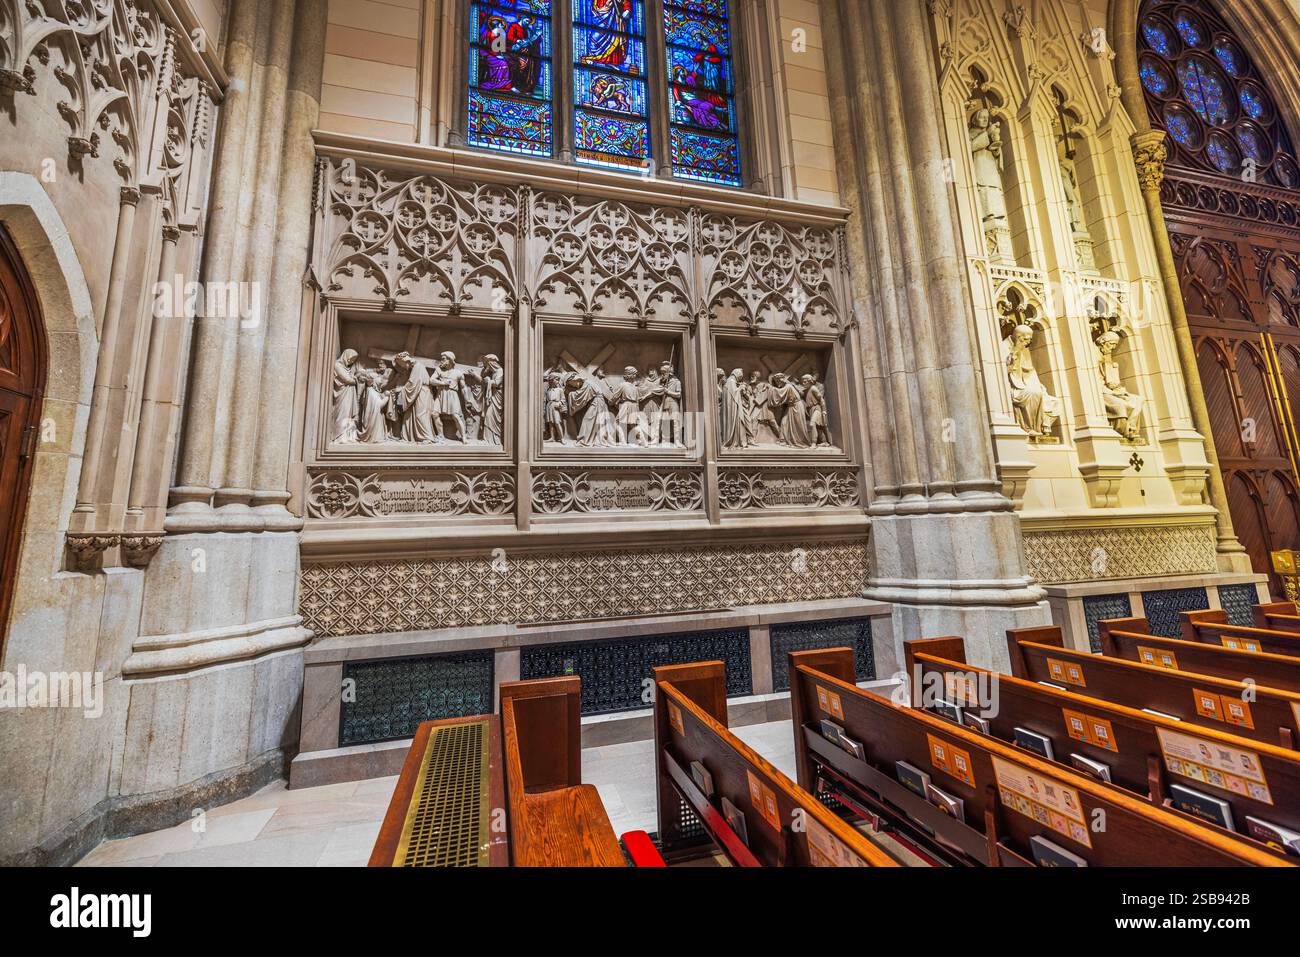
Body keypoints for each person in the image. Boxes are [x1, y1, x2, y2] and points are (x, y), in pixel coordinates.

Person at [1006, 324, 1062, 437]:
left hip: (1024, 383)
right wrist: (1012, 361)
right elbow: (1004, 370)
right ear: (1019, 337)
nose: (1028, 342)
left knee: (1054, 402)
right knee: (1033, 393)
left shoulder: (1023, 350)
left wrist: (1038, 384)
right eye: (1027, 339)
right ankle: (1028, 428)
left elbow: (1029, 371)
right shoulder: (1004, 347)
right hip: (1011, 386)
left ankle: (1042, 428)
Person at [394, 352, 436, 443]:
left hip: (422, 393)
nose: (404, 367)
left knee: (420, 415)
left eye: (402, 365)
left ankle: (427, 437)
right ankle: (408, 437)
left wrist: (401, 390)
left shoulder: (418, 366)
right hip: (416, 393)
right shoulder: (414, 367)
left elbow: (413, 382)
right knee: (408, 415)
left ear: (405, 361)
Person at [568, 368, 616, 447]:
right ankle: (594, 439)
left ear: (575, 380)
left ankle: (585, 440)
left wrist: (570, 394)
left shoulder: (587, 383)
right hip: (598, 403)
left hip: (596, 404)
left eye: (571, 384)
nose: (573, 386)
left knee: (588, 420)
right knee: (596, 421)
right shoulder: (588, 383)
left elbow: (580, 395)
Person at [771, 372, 812, 448]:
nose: (777, 383)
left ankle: (800, 441)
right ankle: (783, 440)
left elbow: (780, 394)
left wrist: (771, 389)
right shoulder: (787, 386)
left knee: (798, 424)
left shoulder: (788, 386)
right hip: (790, 407)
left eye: (777, 381)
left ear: (781, 380)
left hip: (796, 407)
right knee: (784, 422)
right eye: (776, 381)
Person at [330, 349, 360, 443]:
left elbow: (350, 378)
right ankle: (340, 437)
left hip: (349, 395)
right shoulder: (337, 365)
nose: (351, 361)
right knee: (343, 414)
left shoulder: (346, 368)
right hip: (343, 395)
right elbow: (347, 379)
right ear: (346, 355)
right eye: (351, 359)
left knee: (349, 414)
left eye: (353, 360)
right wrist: (356, 379)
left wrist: (355, 377)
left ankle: (349, 436)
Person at [475, 354, 505, 444]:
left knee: (490, 416)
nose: (486, 366)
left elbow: (497, 383)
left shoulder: (500, 371)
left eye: (487, 364)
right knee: (488, 417)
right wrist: (476, 375)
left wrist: (488, 380)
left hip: (497, 397)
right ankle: (488, 439)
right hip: (493, 396)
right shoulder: (493, 373)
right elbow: (484, 382)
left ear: (491, 363)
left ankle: (494, 439)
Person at [357, 369, 391, 444]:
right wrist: (387, 397)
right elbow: (379, 405)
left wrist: (383, 394)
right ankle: (374, 438)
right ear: (374, 381)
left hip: (376, 418)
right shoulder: (371, 392)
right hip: (373, 422)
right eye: (378, 377)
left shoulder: (372, 391)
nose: (381, 380)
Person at [719, 369, 749, 448]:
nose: (740, 378)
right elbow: (735, 394)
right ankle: (735, 441)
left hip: (731, 407)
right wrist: (741, 388)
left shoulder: (729, 382)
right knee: (739, 422)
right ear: (737, 374)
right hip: (733, 408)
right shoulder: (731, 382)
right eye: (740, 376)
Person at [803, 373, 831, 446]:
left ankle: (813, 443)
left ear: (810, 381)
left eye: (805, 381)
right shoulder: (807, 390)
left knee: (812, 424)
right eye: (802, 381)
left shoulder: (813, 388)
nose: (803, 383)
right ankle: (824, 442)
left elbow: (821, 399)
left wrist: (824, 411)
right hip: (811, 409)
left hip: (817, 409)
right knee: (818, 426)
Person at [659, 362, 683, 446]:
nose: (662, 375)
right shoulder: (664, 383)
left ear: (668, 373)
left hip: (673, 403)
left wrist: (668, 391)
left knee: (675, 422)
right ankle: (665, 440)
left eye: (663, 373)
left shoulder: (677, 382)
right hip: (666, 403)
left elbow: (678, 395)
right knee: (665, 422)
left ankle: (677, 441)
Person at [543, 372, 568, 444]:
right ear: (551, 380)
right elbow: (546, 400)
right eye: (556, 379)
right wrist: (545, 409)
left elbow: (563, 399)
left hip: (556, 406)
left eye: (558, 380)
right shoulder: (548, 390)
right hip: (549, 407)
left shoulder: (560, 390)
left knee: (557, 422)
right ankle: (552, 437)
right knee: (550, 423)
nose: (557, 381)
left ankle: (562, 438)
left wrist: (559, 403)